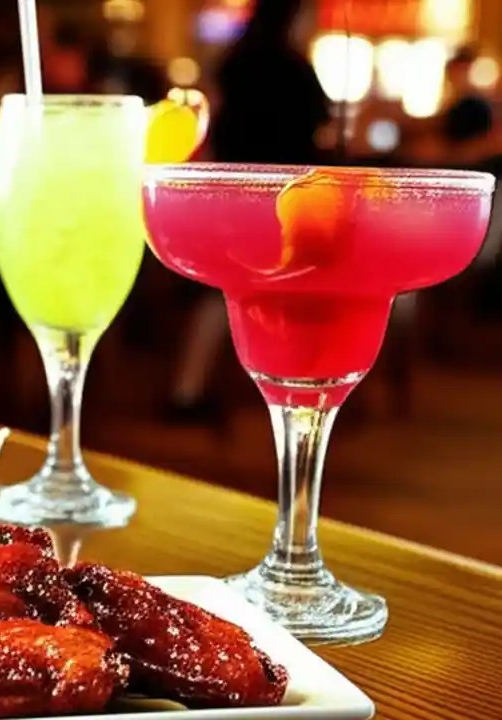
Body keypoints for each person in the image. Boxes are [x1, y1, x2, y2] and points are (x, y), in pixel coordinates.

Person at [167, 0, 330, 423]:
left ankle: (189, 387)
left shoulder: (233, 60)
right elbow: (319, 131)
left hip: (231, 191)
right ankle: (287, 386)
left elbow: (213, 122)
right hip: (285, 199)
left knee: (221, 292)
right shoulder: (296, 69)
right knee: (286, 287)